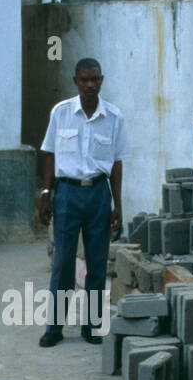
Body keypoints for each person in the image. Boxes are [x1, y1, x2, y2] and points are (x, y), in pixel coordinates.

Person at [35, 58, 128, 347]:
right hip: (67, 195)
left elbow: (116, 164)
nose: (90, 85)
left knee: (97, 264)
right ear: (75, 80)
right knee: (62, 264)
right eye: (84, 79)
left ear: (102, 80)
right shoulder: (61, 113)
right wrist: (46, 193)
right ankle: (54, 327)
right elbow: (49, 153)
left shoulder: (114, 117)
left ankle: (91, 326)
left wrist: (118, 204)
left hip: (98, 194)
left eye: (95, 79)